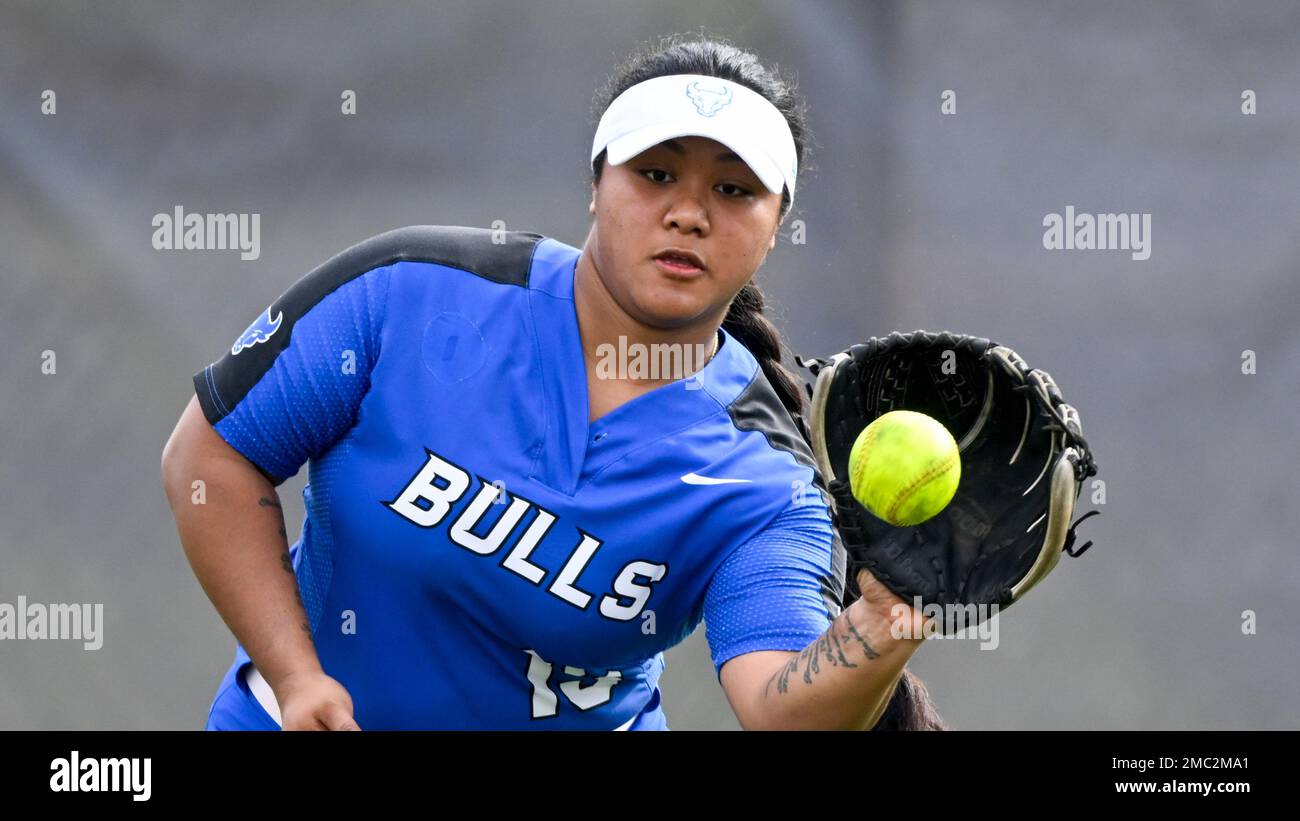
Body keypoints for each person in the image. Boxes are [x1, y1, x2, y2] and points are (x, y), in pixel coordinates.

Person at [161, 35, 945, 730]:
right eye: (657, 172)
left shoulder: (765, 474)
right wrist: (298, 680)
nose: (688, 213)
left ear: (777, 225)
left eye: (734, 189)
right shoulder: (411, 294)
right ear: (596, 183)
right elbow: (212, 459)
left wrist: (882, 623)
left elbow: (778, 708)